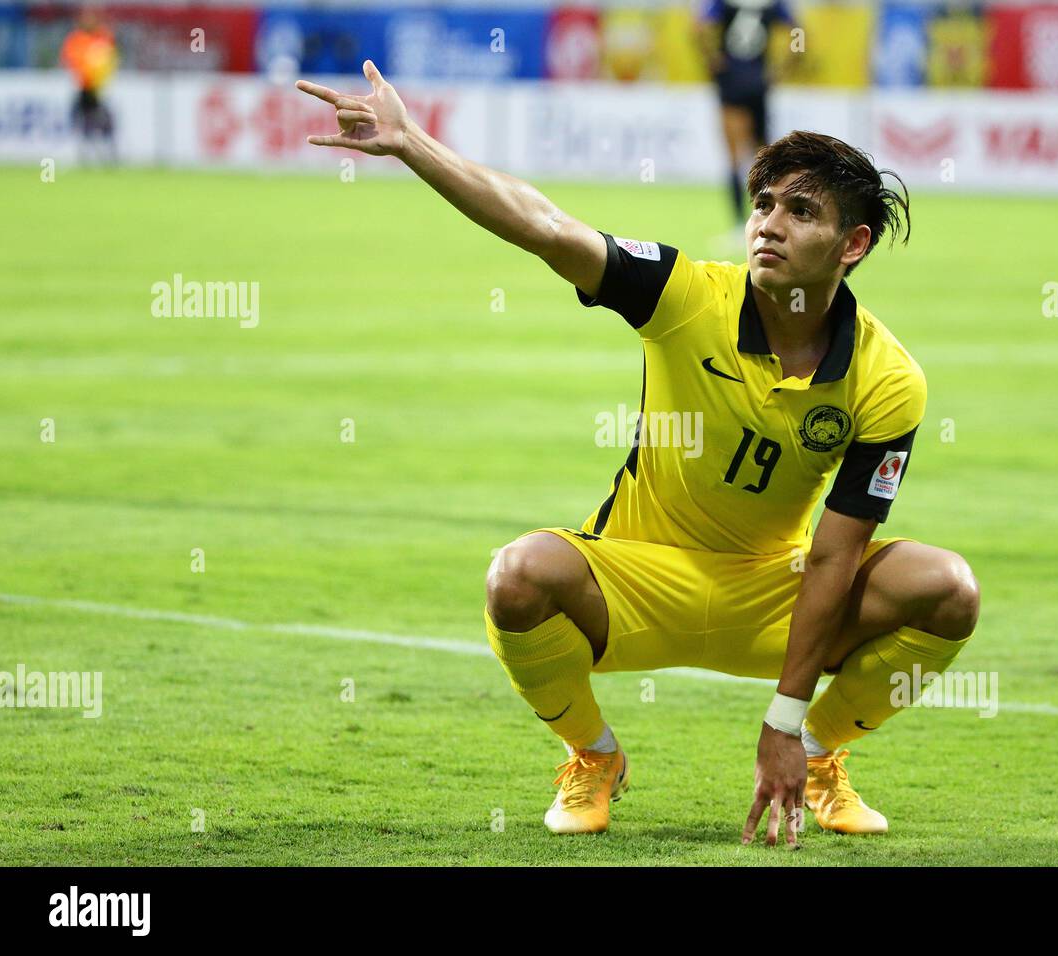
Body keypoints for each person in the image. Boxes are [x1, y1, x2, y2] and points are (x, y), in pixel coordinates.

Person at [296, 62, 980, 847]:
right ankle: (593, 755)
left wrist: (786, 724)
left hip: (773, 593)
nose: (768, 224)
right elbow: (547, 227)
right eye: (762, 204)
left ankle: (822, 757)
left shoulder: (888, 378)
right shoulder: (686, 295)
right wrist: (413, 144)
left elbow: (836, 556)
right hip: (635, 578)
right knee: (518, 577)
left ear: (853, 244)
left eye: (801, 211)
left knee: (947, 590)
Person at [694, 0, 798, 245]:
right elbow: (799, 34)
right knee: (764, 156)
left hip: (731, 81)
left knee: (734, 157)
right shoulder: (772, 4)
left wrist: (711, 58)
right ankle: (775, 220)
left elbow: (698, 29)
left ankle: (741, 224)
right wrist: (782, 69)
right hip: (758, 82)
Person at [60, 7, 119, 164]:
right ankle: (84, 154)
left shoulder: (104, 37)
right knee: (82, 120)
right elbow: (70, 61)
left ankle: (108, 154)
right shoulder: (76, 39)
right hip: (83, 87)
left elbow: (111, 58)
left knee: (104, 122)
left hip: (101, 88)